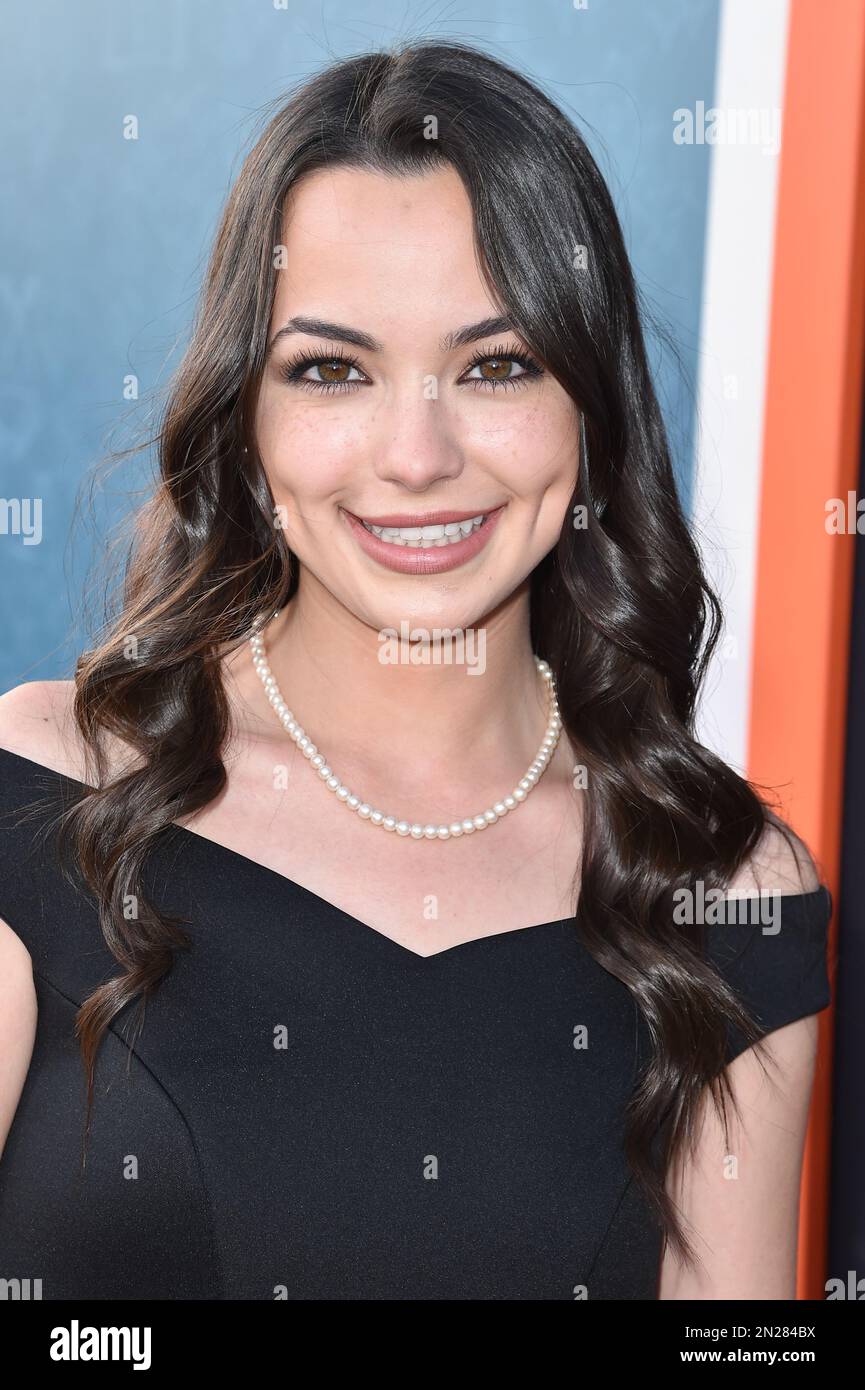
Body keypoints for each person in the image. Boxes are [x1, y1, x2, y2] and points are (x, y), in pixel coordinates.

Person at [0, 39, 832, 1301]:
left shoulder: (720, 890)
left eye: (497, 364)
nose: (417, 453)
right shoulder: (42, 794)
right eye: (332, 369)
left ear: (590, 412)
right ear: (248, 419)